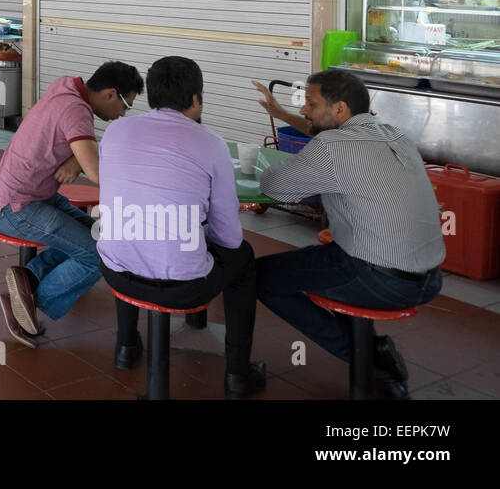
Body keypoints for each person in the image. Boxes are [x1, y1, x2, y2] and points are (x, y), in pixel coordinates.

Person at [253, 70, 444, 399]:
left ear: (339, 109)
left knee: (258, 276)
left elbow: (275, 187)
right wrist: (283, 116)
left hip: (380, 280)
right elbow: (327, 140)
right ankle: (370, 350)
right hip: (430, 279)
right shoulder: (398, 135)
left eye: (310, 103)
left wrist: (268, 165)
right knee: (327, 259)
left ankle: (369, 358)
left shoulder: (331, 146)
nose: (303, 110)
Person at [98, 57, 266, 398]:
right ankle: (237, 376)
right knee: (243, 259)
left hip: (114, 270)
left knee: (133, 236)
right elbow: (229, 236)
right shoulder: (211, 144)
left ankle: (126, 348)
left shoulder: (116, 130)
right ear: (196, 99)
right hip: (183, 288)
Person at [0, 61, 143, 346]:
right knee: (97, 256)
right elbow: (97, 172)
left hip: (24, 195)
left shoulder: (66, 87)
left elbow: (75, 144)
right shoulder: (77, 110)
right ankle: (30, 304)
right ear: (109, 94)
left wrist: (74, 159)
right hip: (14, 206)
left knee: (99, 237)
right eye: (125, 105)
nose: (121, 115)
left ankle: (29, 279)